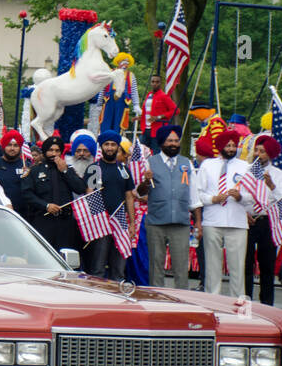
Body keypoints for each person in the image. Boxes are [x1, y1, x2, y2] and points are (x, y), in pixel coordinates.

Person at [134, 124, 199, 289]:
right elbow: (140, 193)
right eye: (170, 140)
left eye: (176, 141)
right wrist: (146, 181)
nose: (174, 144)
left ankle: (182, 302)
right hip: (156, 222)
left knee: (181, 267)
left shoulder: (187, 163)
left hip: (181, 222)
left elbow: (194, 196)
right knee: (156, 267)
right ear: (162, 142)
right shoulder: (150, 162)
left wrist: (198, 221)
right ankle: (156, 300)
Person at [195, 127, 252, 298]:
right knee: (212, 265)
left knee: (237, 266)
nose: (231, 149)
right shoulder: (207, 165)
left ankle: (238, 302)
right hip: (213, 221)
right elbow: (198, 193)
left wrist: (240, 196)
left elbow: (252, 196)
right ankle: (213, 299)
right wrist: (213, 199)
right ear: (220, 147)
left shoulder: (245, 167)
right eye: (227, 145)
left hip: (237, 221)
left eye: (233, 146)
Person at [79, 130, 138, 280]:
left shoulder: (124, 169)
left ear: (118, 147)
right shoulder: (94, 168)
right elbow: (89, 194)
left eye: (113, 145)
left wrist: (132, 223)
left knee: (119, 268)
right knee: (98, 267)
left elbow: (129, 197)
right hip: (101, 225)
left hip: (120, 223)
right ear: (101, 146)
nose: (110, 148)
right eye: (107, 144)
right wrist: (99, 220)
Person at [22, 135, 86, 253]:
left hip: (65, 223)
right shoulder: (35, 170)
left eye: (57, 151)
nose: (54, 154)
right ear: (45, 152)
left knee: (65, 257)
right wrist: (46, 205)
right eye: (51, 150)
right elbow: (27, 194)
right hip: (44, 221)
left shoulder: (67, 169)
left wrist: (65, 171)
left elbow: (80, 188)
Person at [244, 135, 282, 305]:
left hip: (267, 221)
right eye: (257, 150)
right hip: (247, 221)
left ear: (270, 154)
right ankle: (245, 303)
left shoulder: (277, 174)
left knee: (267, 266)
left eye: (262, 151)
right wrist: (244, 213)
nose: (258, 154)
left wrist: (271, 186)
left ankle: (267, 304)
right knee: (246, 264)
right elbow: (241, 193)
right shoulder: (248, 171)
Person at [0, 130, 32, 214]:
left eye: (16, 145)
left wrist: (29, 177)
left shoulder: (27, 166)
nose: (12, 148)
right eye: (9, 145)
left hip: (23, 215)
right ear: (4, 146)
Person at [140, 74, 178, 141]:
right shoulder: (149, 95)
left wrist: (159, 117)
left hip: (157, 130)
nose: (155, 84)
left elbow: (176, 110)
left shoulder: (164, 96)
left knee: (156, 151)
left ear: (160, 83)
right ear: (150, 83)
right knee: (142, 150)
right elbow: (147, 111)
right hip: (145, 129)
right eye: (153, 81)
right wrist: (140, 117)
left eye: (157, 82)